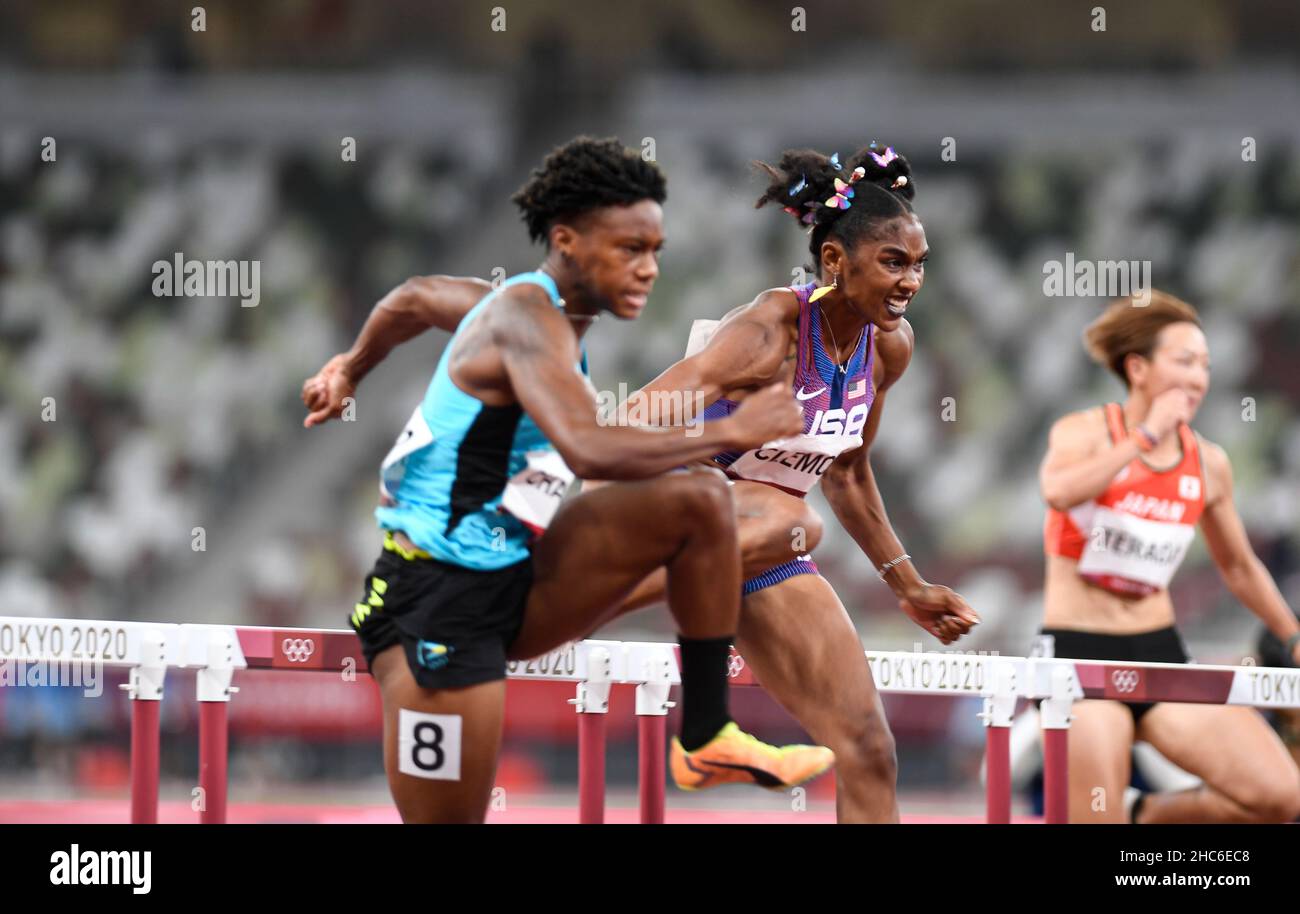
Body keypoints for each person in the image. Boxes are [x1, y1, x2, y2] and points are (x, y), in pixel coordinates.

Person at [309, 142, 980, 822]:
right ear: (835, 261)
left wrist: (907, 584)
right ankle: (599, 613)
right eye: (894, 261)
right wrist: (730, 432)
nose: (910, 281)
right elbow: (637, 414)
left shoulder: (888, 347)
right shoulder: (767, 335)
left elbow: (849, 471)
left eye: (919, 264)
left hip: (756, 551)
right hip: (672, 513)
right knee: (790, 520)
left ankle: (702, 727)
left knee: (868, 747)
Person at [1038, 290, 1300, 823]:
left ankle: (1148, 815)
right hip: (1080, 659)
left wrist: (1293, 638)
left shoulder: (1209, 462)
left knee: (1282, 797)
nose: (1199, 378)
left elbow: (1239, 567)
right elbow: (1059, 491)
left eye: (1205, 365)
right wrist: (1146, 436)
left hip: (1160, 655)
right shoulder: (1085, 432)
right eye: (1184, 362)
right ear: (1138, 369)